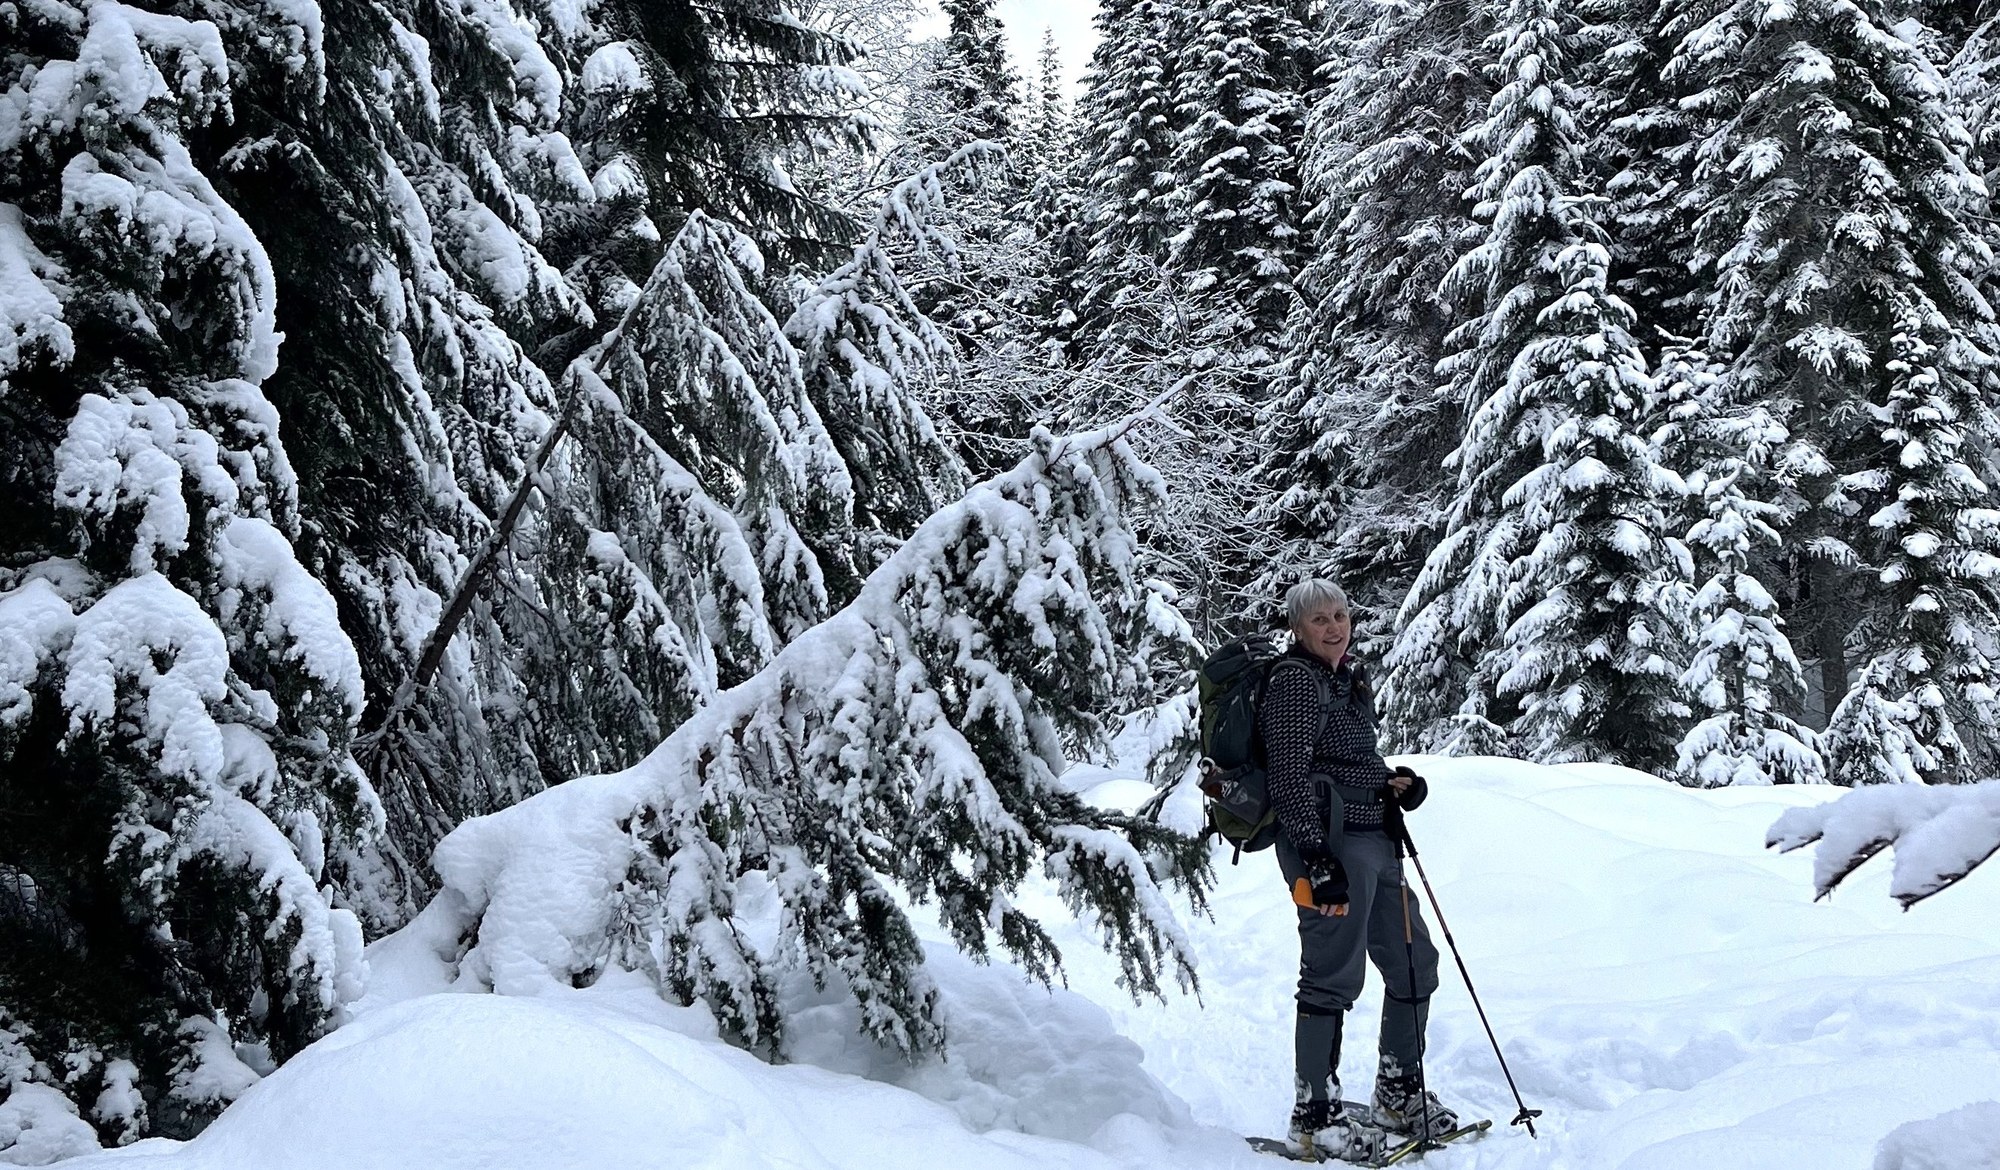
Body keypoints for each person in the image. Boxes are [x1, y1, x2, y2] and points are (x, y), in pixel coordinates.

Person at [1259, 578, 1458, 1159]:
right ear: (1297, 628)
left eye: (1340, 615)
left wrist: (1394, 781)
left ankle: (1396, 1092)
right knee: (1332, 974)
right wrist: (1318, 859)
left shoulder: (1346, 677)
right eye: (1319, 619)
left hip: (1375, 839)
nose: (1334, 627)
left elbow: (1349, 756)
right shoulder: (1294, 681)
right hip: (1329, 844)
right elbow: (1288, 776)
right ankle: (1315, 1117)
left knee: (1414, 961)